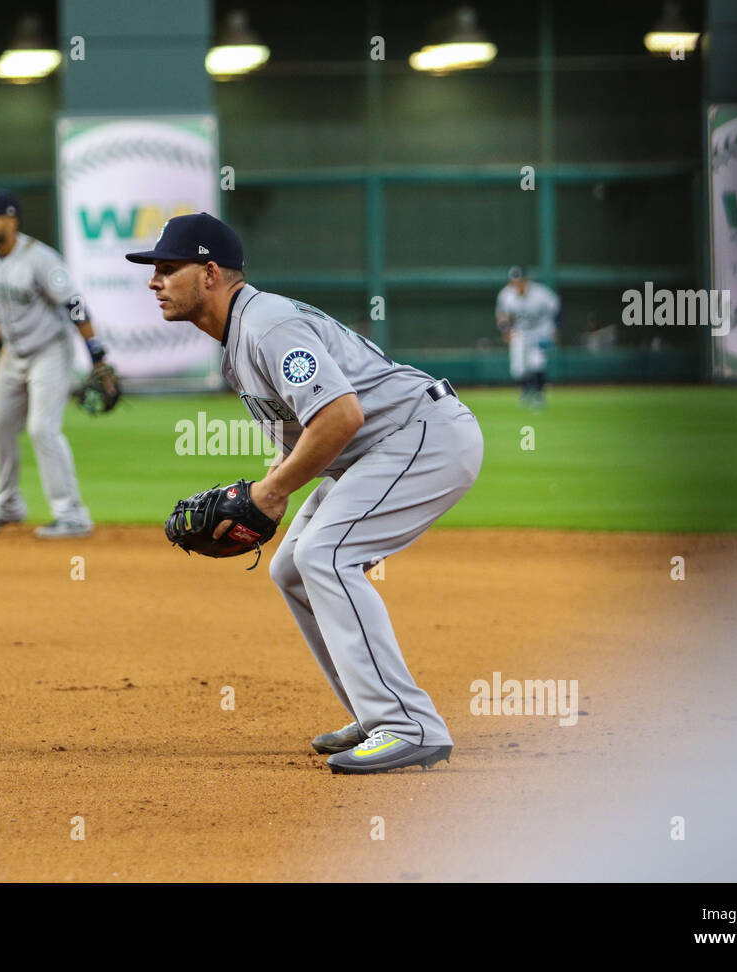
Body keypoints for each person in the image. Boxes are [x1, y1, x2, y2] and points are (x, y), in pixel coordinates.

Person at [127, 213, 484, 775]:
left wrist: (270, 493)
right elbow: (305, 432)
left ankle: (408, 725)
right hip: (385, 447)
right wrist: (268, 487)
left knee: (328, 553)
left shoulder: (266, 326)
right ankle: (375, 715)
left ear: (212, 273)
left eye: (169, 269)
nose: (155, 281)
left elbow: (342, 415)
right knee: (292, 565)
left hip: (422, 436)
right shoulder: (240, 339)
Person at [0, 189, 107, 539]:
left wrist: (98, 357)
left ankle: (72, 514)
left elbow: (74, 303)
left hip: (49, 351)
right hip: (12, 354)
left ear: (11, 220)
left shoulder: (41, 258)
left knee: (42, 428)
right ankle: (8, 505)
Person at [495, 265, 560, 408]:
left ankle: (539, 394)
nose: (517, 284)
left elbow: (556, 308)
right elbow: (502, 315)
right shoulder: (506, 294)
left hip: (541, 329)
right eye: (514, 281)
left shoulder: (540, 293)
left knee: (537, 362)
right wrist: (506, 331)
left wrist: (555, 330)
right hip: (520, 331)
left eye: (520, 281)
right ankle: (526, 390)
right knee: (518, 368)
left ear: (526, 280)